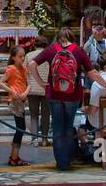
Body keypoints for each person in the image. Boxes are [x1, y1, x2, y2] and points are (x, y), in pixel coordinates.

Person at [28, 27, 97, 170]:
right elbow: (91, 73)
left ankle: (61, 162)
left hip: (54, 94)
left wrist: (41, 82)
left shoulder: (51, 49)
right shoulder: (78, 50)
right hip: (72, 95)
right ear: (72, 37)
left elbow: (31, 64)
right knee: (68, 127)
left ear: (57, 37)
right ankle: (68, 158)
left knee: (58, 128)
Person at [0, 45, 30, 166]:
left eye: (23, 56)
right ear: (13, 57)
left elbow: (28, 84)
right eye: (20, 56)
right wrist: (12, 90)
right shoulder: (11, 69)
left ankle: (14, 156)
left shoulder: (24, 68)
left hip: (21, 100)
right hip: (15, 101)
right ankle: (14, 157)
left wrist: (25, 93)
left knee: (20, 129)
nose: (22, 58)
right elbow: (0, 83)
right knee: (20, 128)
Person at [24, 35, 51, 147]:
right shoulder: (49, 55)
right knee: (46, 114)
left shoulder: (29, 55)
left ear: (34, 45)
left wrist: (27, 85)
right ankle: (44, 140)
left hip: (32, 88)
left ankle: (34, 139)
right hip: (46, 88)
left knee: (33, 115)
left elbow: (24, 71)